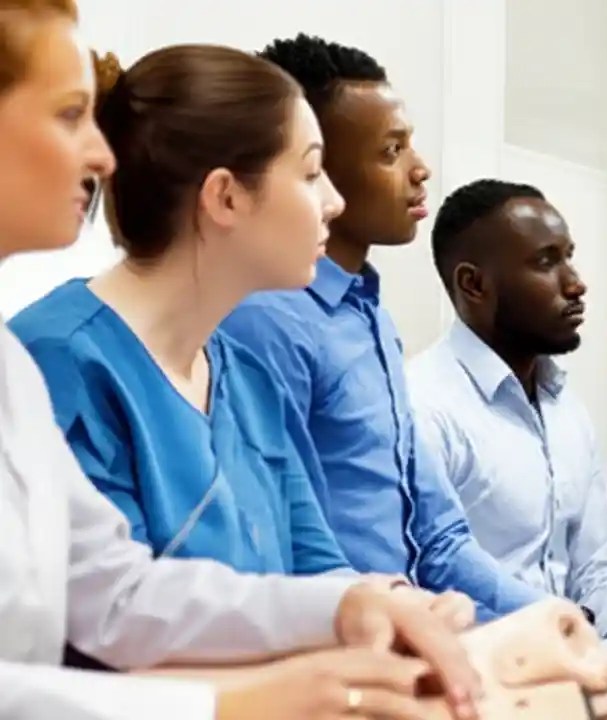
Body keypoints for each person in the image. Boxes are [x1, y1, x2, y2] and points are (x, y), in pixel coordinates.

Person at [0, 3, 493, 718]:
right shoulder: (60, 357)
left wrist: (359, 608)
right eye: (70, 114)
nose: (102, 155)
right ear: (225, 195)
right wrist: (246, 701)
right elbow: (93, 650)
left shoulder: (19, 365)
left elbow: (115, 591)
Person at [220, 33, 544, 619]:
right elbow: (295, 555)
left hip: (410, 622)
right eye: (391, 151)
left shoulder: (368, 314)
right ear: (316, 164)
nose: (420, 171)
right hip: (347, 641)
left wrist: (554, 623)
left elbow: (440, 538)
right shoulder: (266, 320)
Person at [9, 43, 353, 578]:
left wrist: (397, 615)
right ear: (226, 198)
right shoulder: (56, 363)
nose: (335, 202)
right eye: (310, 173)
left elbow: (323, 573)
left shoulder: (251, 380)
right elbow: (116, 625)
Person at [407, 179, 607, 663]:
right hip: (478, 677)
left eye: (569, 256)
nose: (576, 282)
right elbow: (429, 575)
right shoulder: (424, 406)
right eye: (546, 262)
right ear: (473, 284)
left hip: (568, 662)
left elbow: (600, 567)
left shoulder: (565, 409)